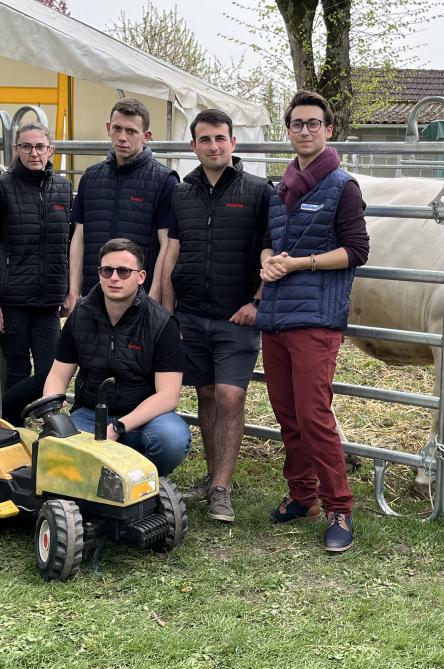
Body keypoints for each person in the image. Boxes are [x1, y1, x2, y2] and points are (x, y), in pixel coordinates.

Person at [256, 90, 370, 553]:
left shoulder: (343, 187)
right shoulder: (279, 189)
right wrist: (267, 263)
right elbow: (267, 242)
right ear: (288, 131)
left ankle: (339, 506)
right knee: (286, 413)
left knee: (314, 415)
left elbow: (357, 251)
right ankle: (303, 496)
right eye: (297, 124)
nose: (304, 131)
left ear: (328, 130)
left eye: (313, 123)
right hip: (277, 317)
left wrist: (299, 264)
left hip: (316, 319)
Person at [158, 109, 273, 523]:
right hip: (190, 315)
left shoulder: (260, 191)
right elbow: (172, 252)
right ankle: (212, 479)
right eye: (205, 139)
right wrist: (168, 308)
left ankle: (222, 488)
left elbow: (271, 250)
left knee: (231, 395)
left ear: (233, 143)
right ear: (193, 146)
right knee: (205, 394)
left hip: (236, 316)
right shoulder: (182, 193)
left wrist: (257, 303)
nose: (213, 146)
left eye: (220, 138)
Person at [42, 238, 189, 477]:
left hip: (143, 417)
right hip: (90, 412)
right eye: (107, 270)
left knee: (171, 439)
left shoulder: (162, 323)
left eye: (123, 271)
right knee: (58, 451)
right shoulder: (80, 315)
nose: (114, 278)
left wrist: (118, 427)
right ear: (99, 273)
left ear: (141, 276)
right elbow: (58, 375)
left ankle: (147, 482)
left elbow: (169, 396)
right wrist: (52, 413)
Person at [0, 123, 72, 424]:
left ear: (50, 149)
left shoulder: (63, 187)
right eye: (26, 147)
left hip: (48, 301)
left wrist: (70, 289)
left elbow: (69, 244)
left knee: (49, 374)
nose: (33, 153)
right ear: (16, 149)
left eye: (39, 146)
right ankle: (11, 432)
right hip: (12, 299)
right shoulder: (1, 187)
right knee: (17, 370)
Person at [65, 98, 177, 314]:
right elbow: (78, 237)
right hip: (94, 296)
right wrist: (73, 292)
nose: (122, 137)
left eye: (131, 131)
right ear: (108, 128)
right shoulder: (90, 177)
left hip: (139, 298)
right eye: (117, 128)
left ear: (147, 136)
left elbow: (167, 245)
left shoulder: (165, 181)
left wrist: (155, 294)